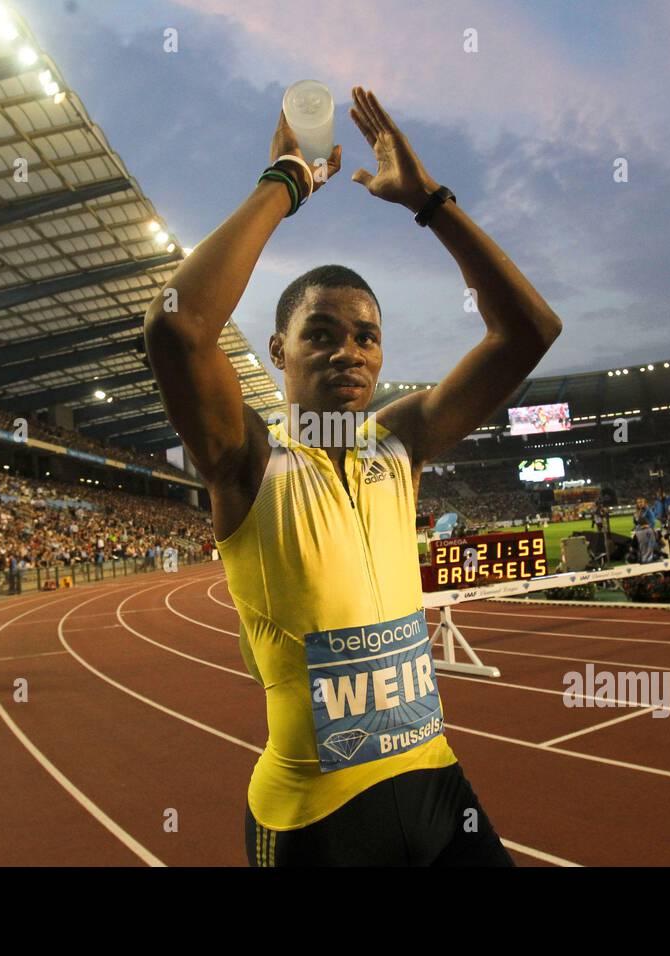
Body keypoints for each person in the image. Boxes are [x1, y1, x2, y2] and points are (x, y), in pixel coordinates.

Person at [144, 87, 561, 866]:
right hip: (315, 821)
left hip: (437, 785)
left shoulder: (398, 445)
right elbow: (177, 325)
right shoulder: (249, 462)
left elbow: (529, 331)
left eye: (367, 337)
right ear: (277, 351)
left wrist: (431, 202)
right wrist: (287, 180)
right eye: (323, 333)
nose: (350, 351)